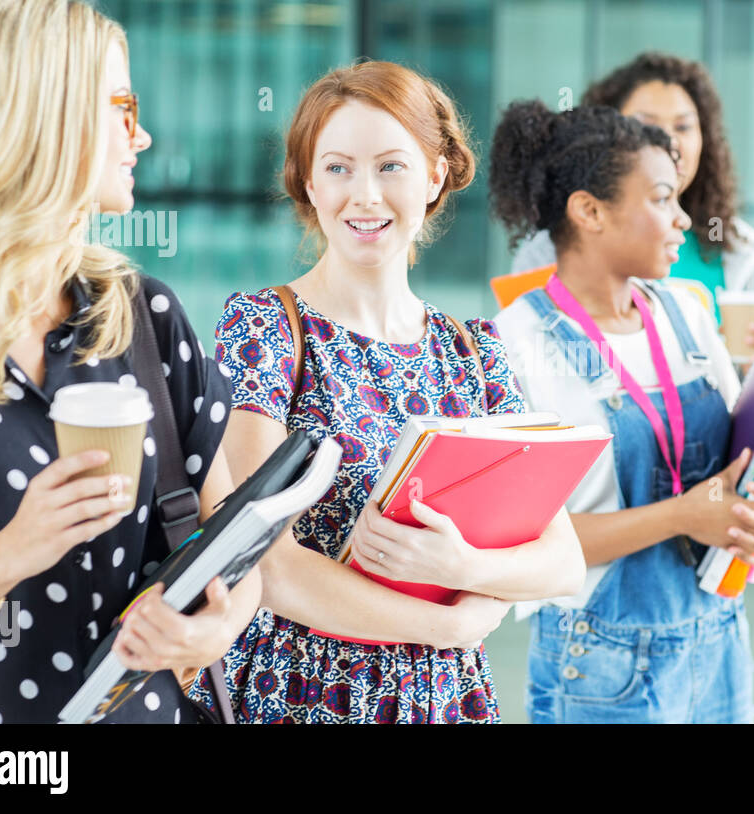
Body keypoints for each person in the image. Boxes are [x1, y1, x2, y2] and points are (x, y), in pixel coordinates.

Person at [197, 61, 585, 724]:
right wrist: (446, 627)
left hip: (443, 702)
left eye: (391, 166)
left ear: (436, 175)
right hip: (300, 697)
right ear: (310, 183)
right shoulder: (264, 328)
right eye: (339, 167)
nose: (365, 196)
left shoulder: (474, 352)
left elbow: (563, 561)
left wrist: (464, 566)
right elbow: (268, 564)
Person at [0, 0, 258, 724]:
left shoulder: (146, 317)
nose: (144, 136)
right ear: (46, 117)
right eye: (123, 109)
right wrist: (10, 554)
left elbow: (226, 538)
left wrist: (214, 626)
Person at [489, 100, 754, 724]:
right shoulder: (514, 342)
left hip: (719, 641)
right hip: (600, 663)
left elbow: (741, 454)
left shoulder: (685, 310)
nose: (683, 219)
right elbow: (524, 542)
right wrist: (684, 516)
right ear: (589, 211)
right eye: (662, 199)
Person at [510, 52, 754, 353]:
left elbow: (743, 388)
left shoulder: (740, 249)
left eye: (684, 126)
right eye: (645, 126)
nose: (668, 142)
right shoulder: (552, 247)